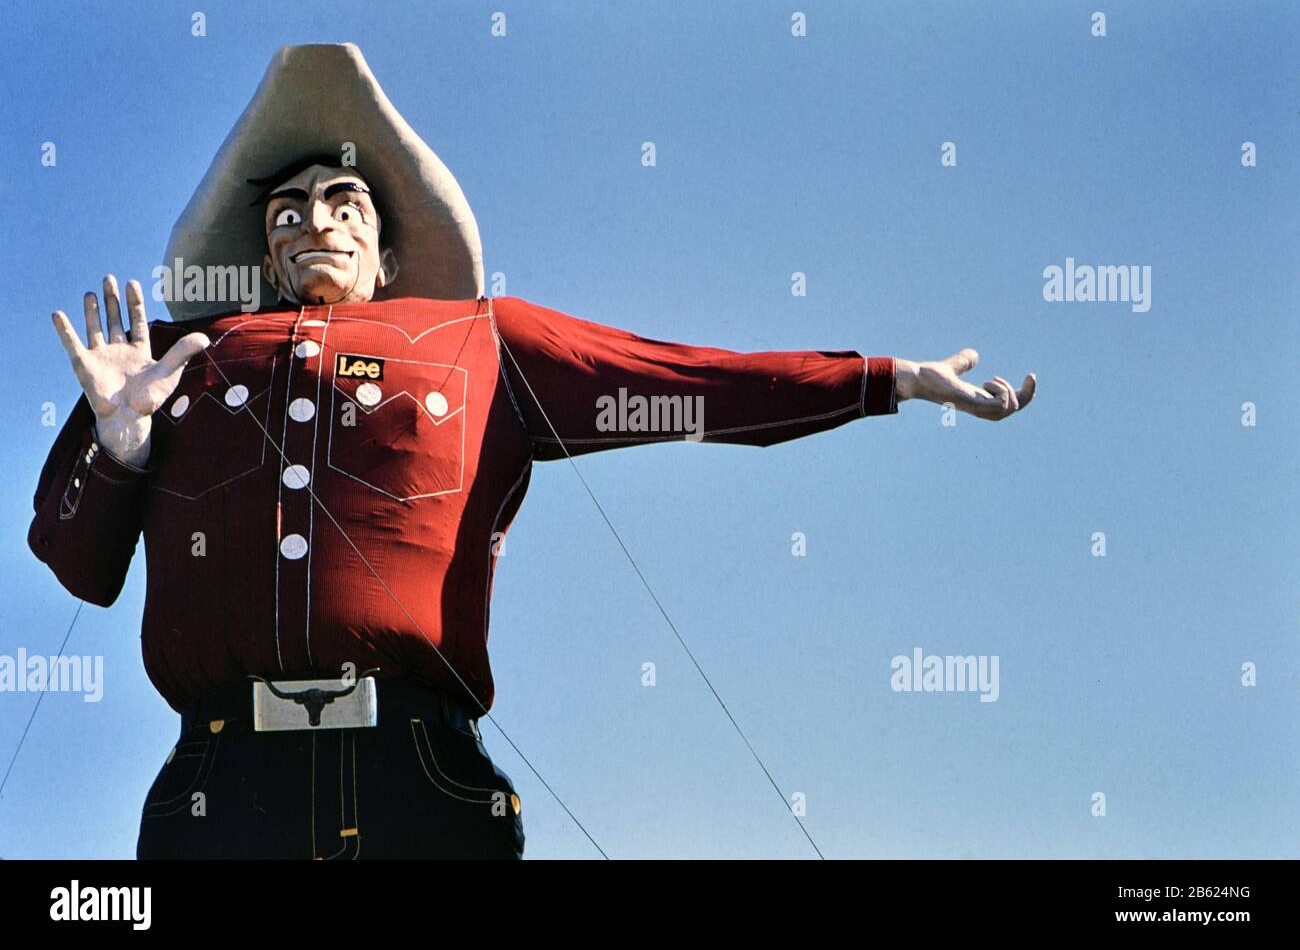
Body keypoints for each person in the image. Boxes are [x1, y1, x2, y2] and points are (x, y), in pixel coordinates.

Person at [29, 45, 1035, 860]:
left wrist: (883, 378)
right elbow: (76, 564)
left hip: (416, 764)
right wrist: (119, 447)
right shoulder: (173, 361)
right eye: (285, 213)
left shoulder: (483, 340)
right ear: (260, 252)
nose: (313, 222)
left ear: (387, 252)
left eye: (345, 202)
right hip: (219, 781)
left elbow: (687, 382)